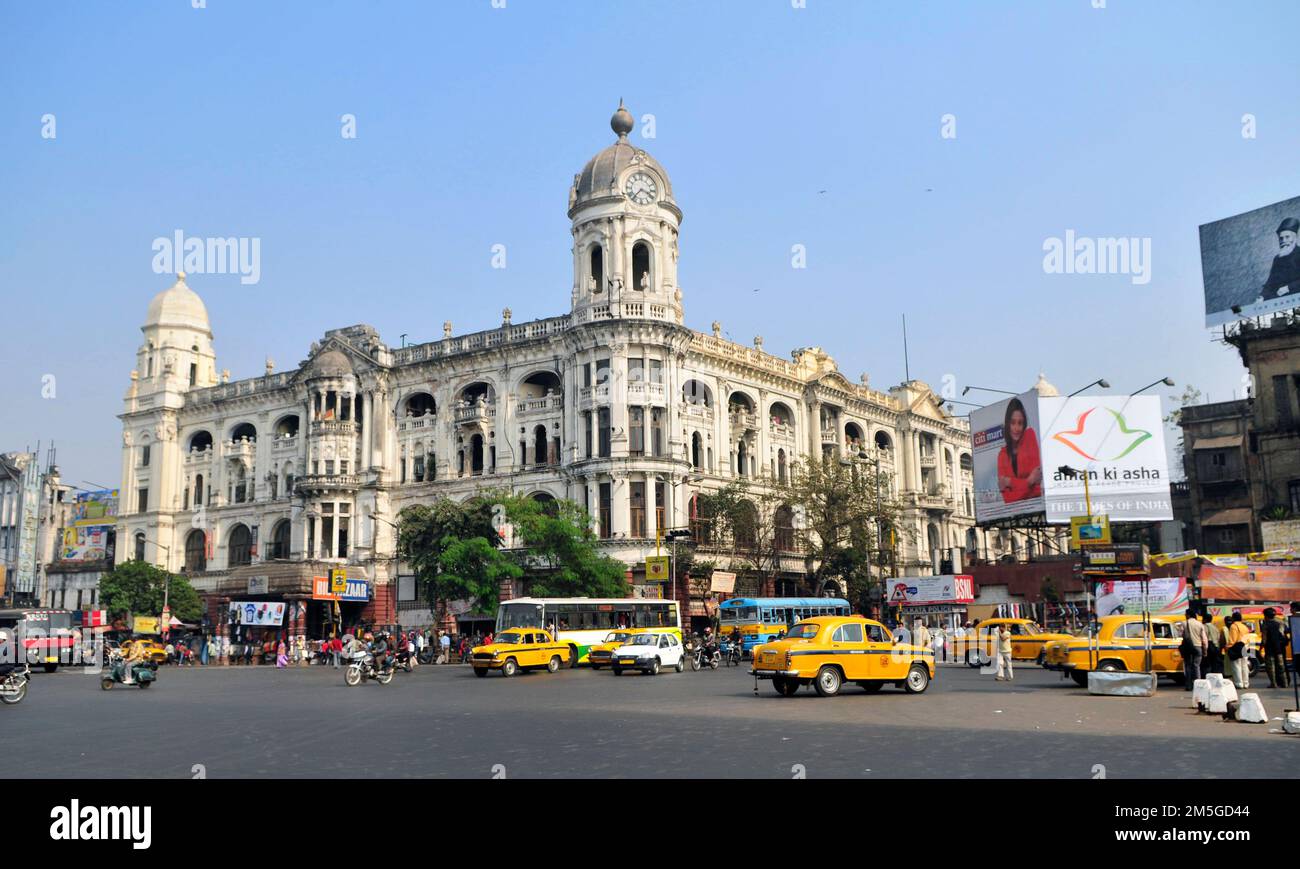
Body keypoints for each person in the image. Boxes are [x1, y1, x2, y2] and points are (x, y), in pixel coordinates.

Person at [996, 398, 1042, 504]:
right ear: (1007, 424)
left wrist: (1009, 482)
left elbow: (1036, 488)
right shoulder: (1002, 455)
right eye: (1012, 423)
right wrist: (1029, 481)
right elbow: (1008, 498)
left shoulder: (1030, 436)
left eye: (1020, 423)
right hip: (1013, 513)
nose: (1016, 428)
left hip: (1035, 506)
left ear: (1024, 424)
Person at [1260, 217, 1300, 300]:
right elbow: (1270, 282)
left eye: (1287, 237)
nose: (1283, 241)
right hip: (1279, 298)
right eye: (1281, 238)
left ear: (1295, 238)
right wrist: (1262, 296)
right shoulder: (1277, 258)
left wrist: (1288, 288)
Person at [1260, 607, 1289, 689]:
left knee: (1270, 667)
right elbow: (1284, 634)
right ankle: (1285, 683)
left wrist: (1261, 647)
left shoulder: (1265, 624)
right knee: (1281, 666)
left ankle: (1274, 683)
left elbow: (1264, 639)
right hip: (1279, 648)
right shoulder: (1280, 622)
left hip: (1269, 649)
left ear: (1266, 615)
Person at [1182, 608, 1207, 691]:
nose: (1185, 616)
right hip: (1198, 646)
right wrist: (1205, 650)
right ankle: (1198, 685)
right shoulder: (1199, 624)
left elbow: (1181, 635)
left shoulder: (1184, 624)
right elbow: (1204, 639)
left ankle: (1188, 685)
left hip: (1188, 647)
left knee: (1188, 666)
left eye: (1185, 614)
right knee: (1196, 666)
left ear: (1188, 615)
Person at [1227, 612, 1251, 689]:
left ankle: (1238, 683)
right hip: (1245, 646)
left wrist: (1228, 647)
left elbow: (1232, 640)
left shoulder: (1233, 626)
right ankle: (1246, 683)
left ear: (1233, 618)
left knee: (1236, 666)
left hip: (1236, 647)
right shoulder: (1245, 627)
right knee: (1244, 665)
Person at [1201, 612, 1222, 679]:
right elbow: (1218, 638)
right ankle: (1214, 678)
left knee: (1206, 664)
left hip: (1208, 646)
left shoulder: (1204, 626)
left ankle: (1207, 678)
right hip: (1216, 647)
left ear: (1205, 619)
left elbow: (1204, 637)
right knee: (1214, 664)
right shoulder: (1215, 627)